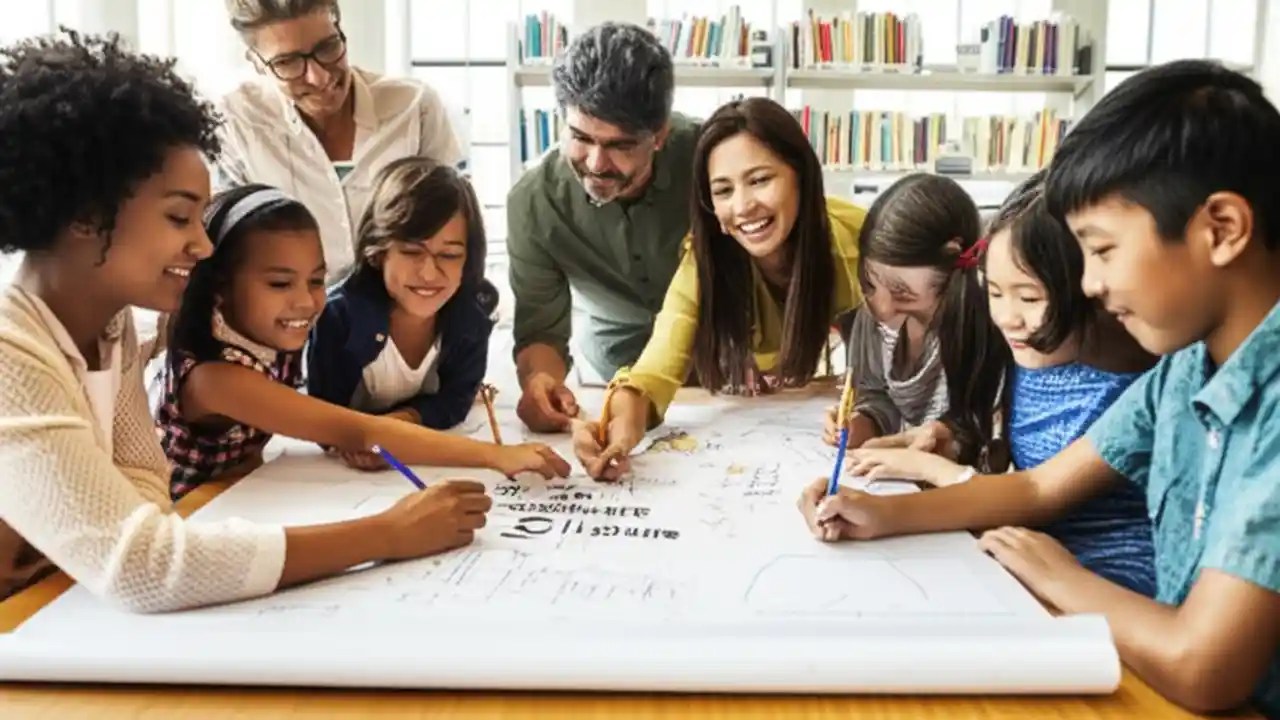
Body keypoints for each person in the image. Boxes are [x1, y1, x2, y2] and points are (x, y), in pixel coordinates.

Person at [798, 60, 1280, 716]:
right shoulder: (1186, 370)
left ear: (1221, 229)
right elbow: (1039, 487)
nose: (1089, 285)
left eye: (1103, 251)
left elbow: (1205, 668)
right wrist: (878, 513)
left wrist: (1071, 581)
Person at [0, 30, 491, 612]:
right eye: (180, 217)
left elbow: (144, 491)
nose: (204, 246)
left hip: (53, 606)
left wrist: (95, 537)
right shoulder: (12, 353)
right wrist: (387, 533)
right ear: (86, 216)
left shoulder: (112, 332)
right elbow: (144, 567)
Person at [845, 172, 1158, 596]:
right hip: (1033, 555)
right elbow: (1009, 462)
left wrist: (902, 497)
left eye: (1029, 298)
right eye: (994, 292)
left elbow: (1034, 491)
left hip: (1110, 582)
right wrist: (948, 439)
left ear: (1088, 288)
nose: (1007, 316)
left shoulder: (1134, 394)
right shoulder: (1025, 356)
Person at [157, 184, 568, 498]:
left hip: (235, 497)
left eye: (317, 280)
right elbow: (358, 431)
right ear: (218, 287)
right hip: (180, 514)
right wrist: (498, 456)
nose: (306, 301)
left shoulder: (266, 338)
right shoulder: (214, 378)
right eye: (280, 283)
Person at [572, 97, 866, 480]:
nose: (742, 206)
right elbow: (655, 368)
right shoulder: (706, 257)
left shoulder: (862, 245)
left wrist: (869, 415)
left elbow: (892, 371)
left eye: (760, 180)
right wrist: (621, 429)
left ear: (802, 177)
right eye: (723, 191)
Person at [507, 22, 700, 433]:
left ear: (660, 134)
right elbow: (541, 329)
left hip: (727, 365)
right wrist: (541, 382)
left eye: (620, 145)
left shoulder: (713, 159)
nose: (596, 164)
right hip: (614, 368)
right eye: (580, 137)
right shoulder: (533, 203)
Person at [215, 0, 462, 279]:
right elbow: (229, 252)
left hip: (402, 311)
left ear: (340, 29)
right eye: (287, 62)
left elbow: (455, 227)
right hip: (290, 315)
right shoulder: (236, 122)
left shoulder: (415, 108)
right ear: (257, 63)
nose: (319, 77)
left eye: (328, 47)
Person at [307, 158, 498, 470]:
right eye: (411, 252)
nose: (428, 272)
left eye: (449, 255)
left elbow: (457, 400)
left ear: (468, 261)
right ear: (378, 252)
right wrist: (363, 435)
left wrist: (403, 423)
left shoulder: (473, 316)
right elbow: (322, 416)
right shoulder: (338, 317)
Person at [820, 173, 1005, 468]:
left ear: (953, 268)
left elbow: (987, 433)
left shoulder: (985, 324)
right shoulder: (872, 319)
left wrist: (951, 441)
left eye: (902, 294)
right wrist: (859, 423)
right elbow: (877, 395)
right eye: (869, 285)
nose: (882, 307)